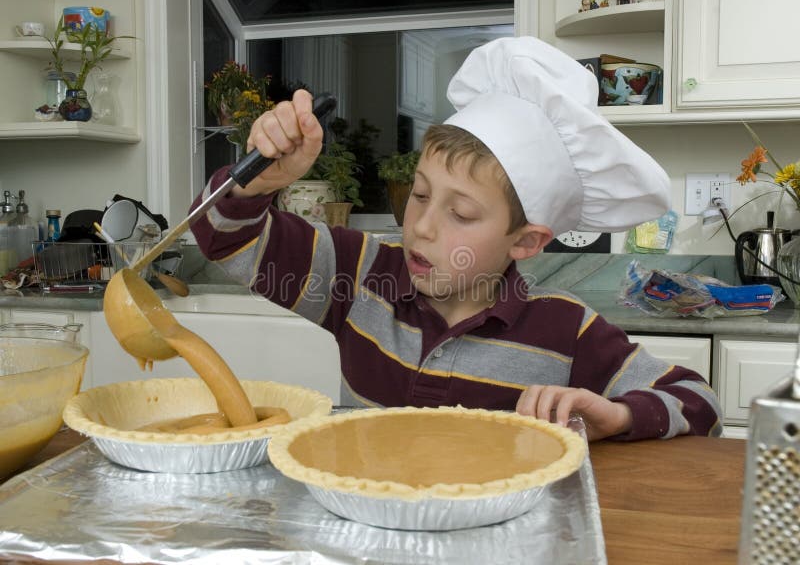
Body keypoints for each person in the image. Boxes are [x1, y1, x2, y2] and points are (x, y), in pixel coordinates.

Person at [190, 36, 723, 441]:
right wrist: (262, 181)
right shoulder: (360, 278)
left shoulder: (567, 331)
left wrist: (618, 415)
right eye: (420, 195)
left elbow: (701, 402)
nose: (422, 225)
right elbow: (225, 240)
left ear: (527, 242)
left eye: (461, 213)